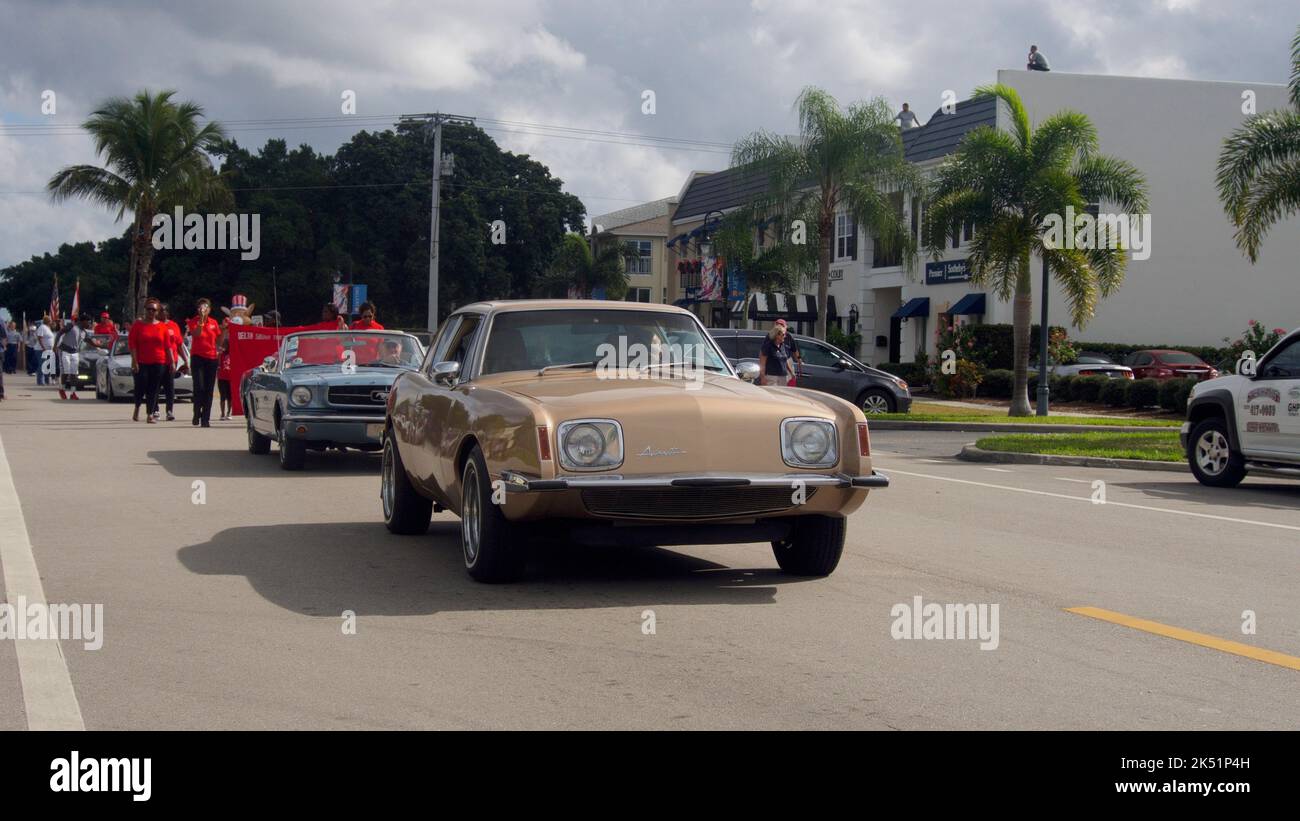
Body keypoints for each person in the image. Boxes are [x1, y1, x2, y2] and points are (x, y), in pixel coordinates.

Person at [129, 299, 173, 423]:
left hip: (159, 361)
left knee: (154, 389)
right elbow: (132, 344)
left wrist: (172, 362)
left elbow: (167, 345)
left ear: (157, 311)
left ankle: (150, 414)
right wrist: (134, 360)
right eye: (148, 309)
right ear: (145, 310)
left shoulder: (162, 326)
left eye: (153, 310)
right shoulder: (138, 325)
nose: (151, 312)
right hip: (142, 362)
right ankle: (137, 406)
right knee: (140, 386)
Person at [187, 298, 221, 427]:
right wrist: (201, 320)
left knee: (208, 389)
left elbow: (218, 339)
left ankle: (206, 418)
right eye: (201, 308)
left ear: (209, 309)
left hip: (211, 358)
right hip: (197, 358)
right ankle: (197, 412)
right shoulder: (193, 322)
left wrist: (225, 330)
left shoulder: (213, 323)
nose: (203, 310)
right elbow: (196, 334)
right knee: (199, 387)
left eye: (206, 307)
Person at [159, 305, 184, 421]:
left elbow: (179, 344)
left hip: (171, 361)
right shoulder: (155, 325)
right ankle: (154, 409)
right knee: (155, 386)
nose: (163, 313)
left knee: (169, 386)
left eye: (165, 310)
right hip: (157, 360)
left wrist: (185, 360)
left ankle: (169, 411)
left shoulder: (173, 325)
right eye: (161, 311)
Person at [56, 315, 86, 399]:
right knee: (66, 371)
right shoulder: (71, 326)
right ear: (82, 321)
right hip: (65, 351)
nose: (89, 324)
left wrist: (100, 346)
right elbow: (60, 333)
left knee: (74, 373)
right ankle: (62, 389)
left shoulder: (84, 332)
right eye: (88, 322)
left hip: (75, 353)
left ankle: (73, 393)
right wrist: (55, 345)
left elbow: (89, 341)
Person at [758, 323, 793, 387]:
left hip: (783, 376)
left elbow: (785, 360)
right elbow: (762, 363)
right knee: (773, 394)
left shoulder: (782, 346)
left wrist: (791, 372)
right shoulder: (768, 346)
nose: (785, 336)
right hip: (771, 376)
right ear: (777, 335)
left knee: (782, 395)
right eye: (783, 334)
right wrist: (762, 377)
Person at [774, 318, 802, 386]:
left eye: (781, 325)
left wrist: (799, 360)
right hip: (776, 361)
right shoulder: (771, 336)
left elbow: (794, 350)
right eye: (778, 325)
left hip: (787, 360)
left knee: (789, 383)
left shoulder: (789, 336)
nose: (780, 327)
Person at [34, 318, 55, 386]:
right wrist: (43, 347)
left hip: (49, 350)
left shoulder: (48, 328)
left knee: (47, 366)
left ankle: (47, 381)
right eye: (50, 320)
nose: (51, 321)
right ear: (47, 321)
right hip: (41, 350)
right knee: (42, 365)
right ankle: (40, 381)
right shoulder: (42, 327)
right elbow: (39, 338)